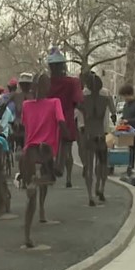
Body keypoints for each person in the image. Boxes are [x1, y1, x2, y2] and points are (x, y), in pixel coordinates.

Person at [19, 73, 64, 248]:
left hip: (29, 153)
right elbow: (61, 123)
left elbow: (26, 128)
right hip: (45, 152)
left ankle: (27, 235)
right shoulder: (55, 103)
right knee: (47, 179)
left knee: (31, 195)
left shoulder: (26, 105)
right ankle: (50, 175)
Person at [46, 48, 83, 188]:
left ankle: (53, 167)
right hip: (66, 120)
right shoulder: (73, 83)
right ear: (63, 66)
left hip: (48, 122)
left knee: (49, 148)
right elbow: (78, 101)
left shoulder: (45, 82)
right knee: (66, 149)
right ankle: (64, 173)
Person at [77, 73, 112, 206]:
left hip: (89, 134)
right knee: (103, 162)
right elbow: (112, 112)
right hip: (103, 133)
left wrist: (81, 126)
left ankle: (90, 195)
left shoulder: (83, 96)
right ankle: (100, 187)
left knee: (89, 165)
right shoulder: (106, 95)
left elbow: (79, 113)